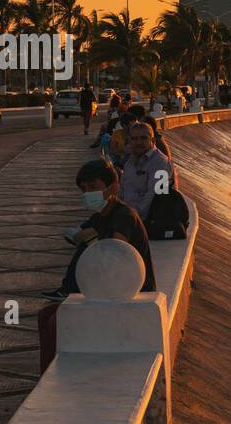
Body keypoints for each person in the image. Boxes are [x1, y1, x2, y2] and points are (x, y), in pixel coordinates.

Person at [42, 158, 155, 301]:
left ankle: (69, 290)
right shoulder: (99, 216)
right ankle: (68, 289)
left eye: (93, 187)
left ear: (113, 188)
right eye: (84, 189)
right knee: (87, 244)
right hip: (112, 283)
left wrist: (93, 238)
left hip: (133, 288)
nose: (88, 193)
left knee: (89, 244)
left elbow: (115, 254)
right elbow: (72, 234)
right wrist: (89, 237)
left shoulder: (124, 215)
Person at [120, 121, 174, 221]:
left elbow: (155, 196)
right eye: (134, 139)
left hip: (146, 220)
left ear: (153, 141)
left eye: (143, 138)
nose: (139, 142)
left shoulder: (161, 162)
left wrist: (134, 217)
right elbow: (123, 191)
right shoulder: (130, 162)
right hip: (127, 216)